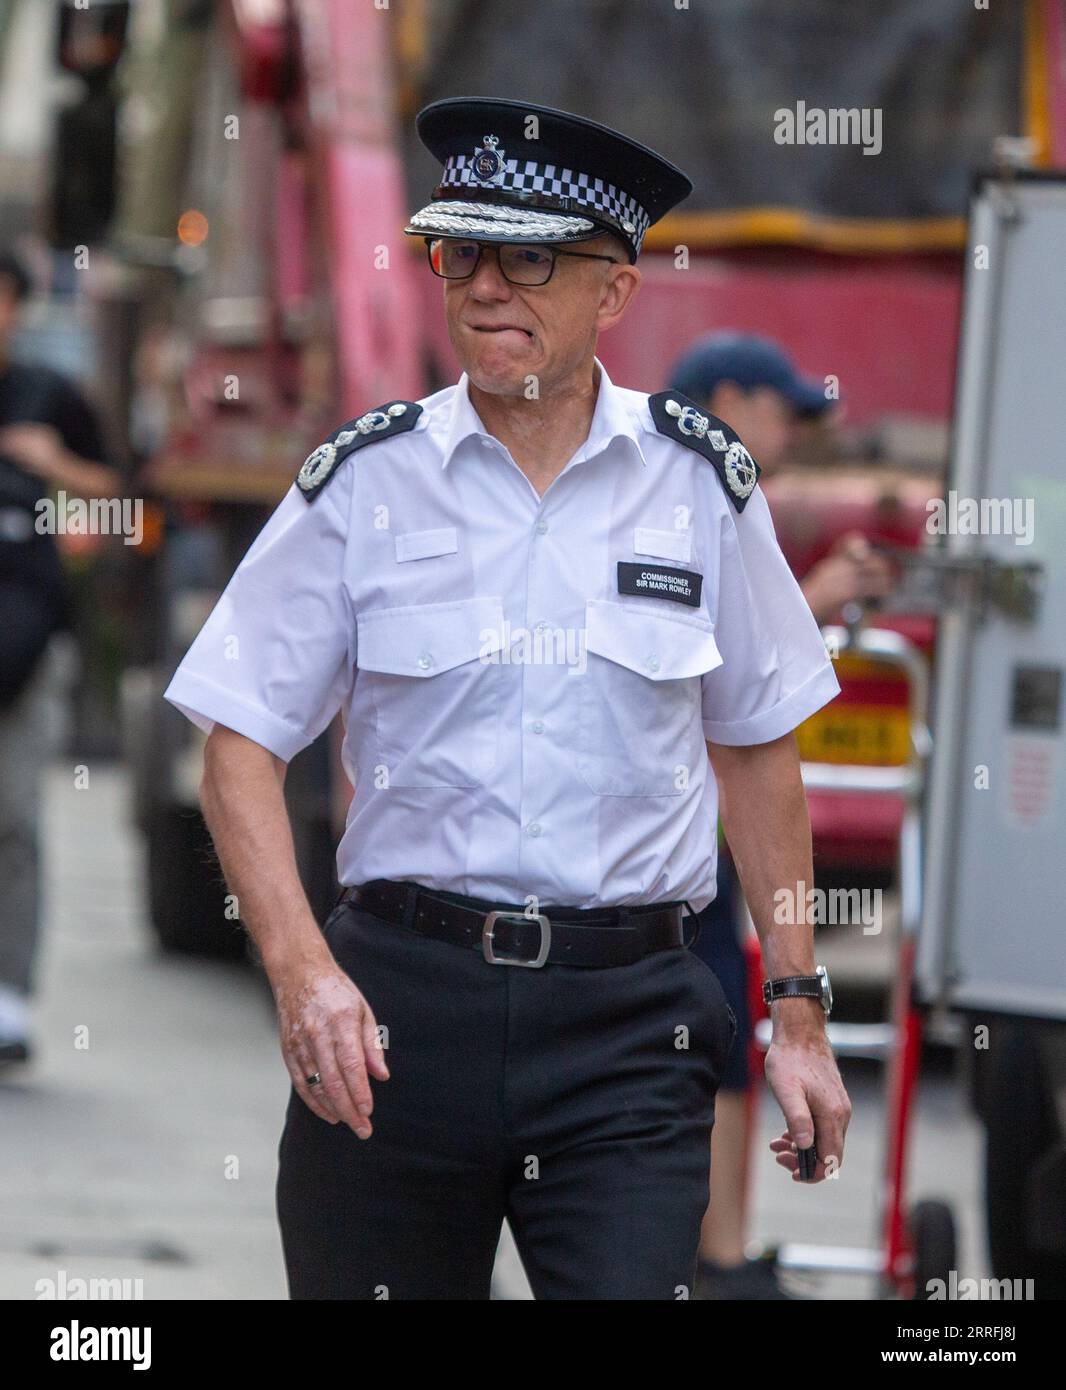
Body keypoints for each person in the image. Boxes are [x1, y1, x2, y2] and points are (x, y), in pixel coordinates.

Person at [164, 98, 851, 1301]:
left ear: (615, 292)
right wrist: (301, 970)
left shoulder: (700, 488)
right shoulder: (362, 482)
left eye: (529, 258)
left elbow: (754, 750)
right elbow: (237, 744)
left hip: (628, 1031)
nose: (485, 286)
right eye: (460, 253)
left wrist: (793, 1010)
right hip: (394, 1023)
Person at [667, 331, 894, 1298]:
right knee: (702, 1035)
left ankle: (717, 1257)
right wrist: (823, 596)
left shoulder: (720, 495)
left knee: (714, 1032)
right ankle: (713, 1263)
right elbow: (709, 666)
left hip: (700, 838)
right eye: (782, 411)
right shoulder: (678, 490)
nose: (795, 434)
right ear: (729, 397)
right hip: (668, 836)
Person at [0, 246, 118, 1064]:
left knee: (12, 822)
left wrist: (57, 467)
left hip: (26, 648)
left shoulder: (50, 395)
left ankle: (8, 995)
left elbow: (121, 505)